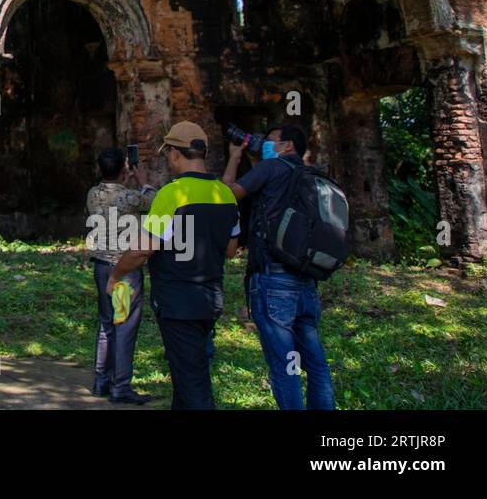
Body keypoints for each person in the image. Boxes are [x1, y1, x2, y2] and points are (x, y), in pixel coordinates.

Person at [106, 122, 239, 410]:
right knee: (186, 374)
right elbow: (230, 249)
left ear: (176, 154)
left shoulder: (172, 195)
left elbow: (143, 249)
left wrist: (116, 274)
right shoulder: (225, 194)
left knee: (193, 384)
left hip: (178, 302)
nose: (168, 159)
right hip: (211, 298)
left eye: (168, 154)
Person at [223, 122, 336, 410]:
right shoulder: (309, 174)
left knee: (285, 366)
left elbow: (227, 195)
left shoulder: (272, 168)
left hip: (273, 280)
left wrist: (235, 156)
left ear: (287, 146)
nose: (266, 143)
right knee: (316, 363)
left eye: (271, 140)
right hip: (305, 279)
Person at [85, 147, 155, 404]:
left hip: (101, 267)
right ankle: (121, 386)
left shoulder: (92, 194)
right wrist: (143, 180)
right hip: (124, 270)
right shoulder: (130, 198)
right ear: (124, 171)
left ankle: (101, 380)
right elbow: (155, 201)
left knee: (106, 325)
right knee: (124, 326)